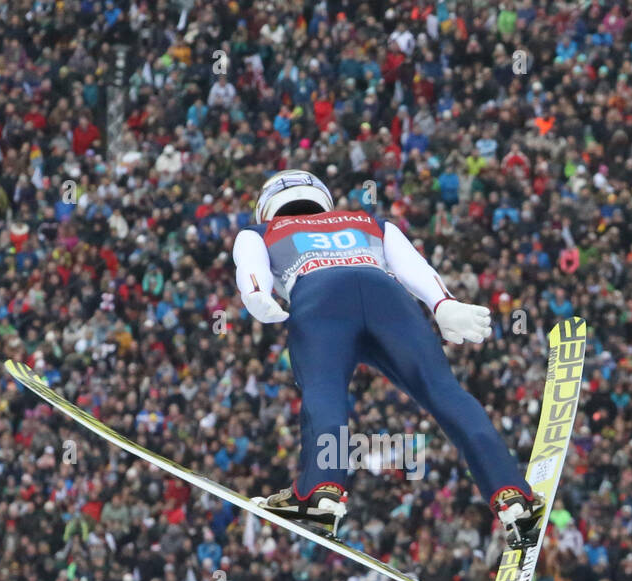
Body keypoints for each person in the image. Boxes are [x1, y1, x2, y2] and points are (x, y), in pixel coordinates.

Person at [232, 169, 543, 545]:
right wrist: (443, 304)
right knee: (445, 392)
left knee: (324, 392)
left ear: (267, 207)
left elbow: (250, 270)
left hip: (319, 300)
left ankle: (321, 491)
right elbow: (413, 266)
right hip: (388, 298)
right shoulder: (370, 222)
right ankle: (512, 496)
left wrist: (256, 294)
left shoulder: (259, 232)